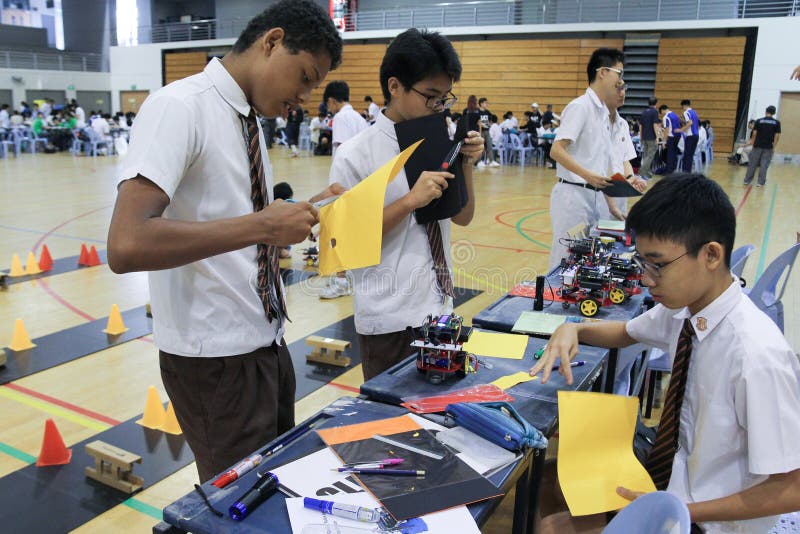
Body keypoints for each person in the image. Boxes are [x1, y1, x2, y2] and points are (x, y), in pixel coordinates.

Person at [106, 0, 343, 483]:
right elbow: (126, 244)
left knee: (270, 495)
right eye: (304, 76)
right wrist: (263, 227)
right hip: (213, 360)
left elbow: (235, 224)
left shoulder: (246, 118)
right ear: (271, 42)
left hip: (264, 346)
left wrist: (308, 209)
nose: (305, 97)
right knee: (237, 512)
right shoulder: (180, 107)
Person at [532, 174, 800, 534]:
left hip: (708, 515)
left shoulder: (756, 355)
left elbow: (791, 489)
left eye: (657, 265)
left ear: (711, 254)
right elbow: (625, 332)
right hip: (674, 470)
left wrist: (675, 507)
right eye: (643, 263)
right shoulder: (687, 307)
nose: (645, 279)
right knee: (550, 479)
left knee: (554, 527)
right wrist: (573, 329)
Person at [329, 28, 483, 381]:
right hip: (390, 319)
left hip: (440, 307)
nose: (439, 106)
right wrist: (411, 201)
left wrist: (466, 165)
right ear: (395, 86)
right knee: (394, 428)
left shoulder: (440, 138)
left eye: (445, 97)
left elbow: (462, 216)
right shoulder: (356, 155)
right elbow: (345, 246)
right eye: (430, 95)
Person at [547, 48, 627, 270]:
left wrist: (612, 205)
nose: (621, 80)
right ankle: (550, 303)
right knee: (564, 258)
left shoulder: (602, 113)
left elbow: (599, 164)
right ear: (602, 72)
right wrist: (588, 176)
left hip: (593, 196)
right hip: (573, 195)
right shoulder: (580, 106)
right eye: (618, 73)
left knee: (585, 260)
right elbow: (556, 150)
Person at [319, 79, 368, 300]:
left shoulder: (340, 117)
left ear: (331, 100)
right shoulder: (358, 117)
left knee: (337, 231)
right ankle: (349, 277)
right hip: (361, 180)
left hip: (344, 180)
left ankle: (341, 281)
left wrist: (334, 184)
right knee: (353, 231)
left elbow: (340, 149)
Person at [743, 105, 781, 188]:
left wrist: (752, 144)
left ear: (766, 111)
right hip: (768, 147)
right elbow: (777, 136)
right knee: (764, 165)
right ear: (774, 113)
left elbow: (754, 134)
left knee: (752, 163)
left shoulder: (758, 121)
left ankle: (747, 180)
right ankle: (760, 183)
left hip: (757, 146)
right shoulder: (777, 123)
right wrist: (773, 147)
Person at [639, 96, 659, 179]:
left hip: (645, 136)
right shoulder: (655, 112)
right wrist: (657, 136)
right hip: (651, 137)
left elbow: (641, 125)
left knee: (646, 155)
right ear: (656, 103)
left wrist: (641, 136)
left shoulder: (644, 112)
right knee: (650, 156)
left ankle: (646, 172)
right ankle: (642, 173)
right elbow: (655, 124)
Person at [477, 97, 499, 168]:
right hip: (480, 131)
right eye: (485, 103)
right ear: (481, 103)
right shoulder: (477, 112)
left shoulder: (487, 112)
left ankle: (491, 161)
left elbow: (491, 119)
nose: (487, 104)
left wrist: (490, 124)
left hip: (487, 131)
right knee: (481, 147)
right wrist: (479, 132)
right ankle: (479, 161)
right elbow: (477, 122)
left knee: (489, 146)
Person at [659, 103, 682, 174]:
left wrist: (664, 141)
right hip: (678, 136)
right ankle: (673, 169)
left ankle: (669, 172)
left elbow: (667, 129)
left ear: (662, 110)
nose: (662, 114)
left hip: (671, 137)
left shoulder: (666, 117)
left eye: (661, 113)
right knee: (674, 153)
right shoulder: (675, 115)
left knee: (669, 154)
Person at [679, 99, 699, 172]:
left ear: (684, 105)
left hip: (690, 135)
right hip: (696, 135)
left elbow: (690, 123)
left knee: (687, 155)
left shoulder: (686, 112)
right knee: (690, 155)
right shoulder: (694, 112)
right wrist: (683, 121)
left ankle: (685, 171)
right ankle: (688, 171)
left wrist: (681, 129)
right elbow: (692, 122)